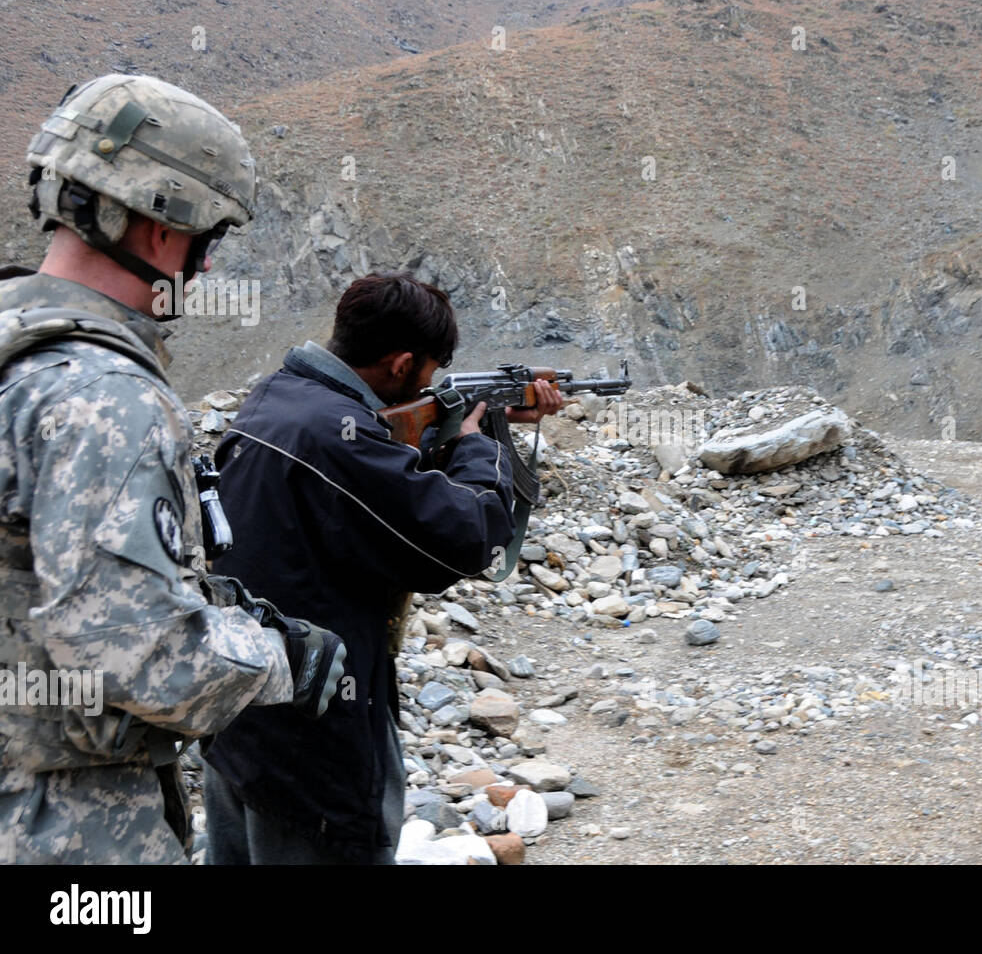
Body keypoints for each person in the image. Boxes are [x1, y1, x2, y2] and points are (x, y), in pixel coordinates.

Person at [0, 74, 346, 864]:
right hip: (64, 829)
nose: (208, 269)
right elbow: (137, 653)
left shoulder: (16, 348)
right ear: (162, 230)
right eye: (208, 241)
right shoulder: (104, 394)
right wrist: (278, 658)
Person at [201, 272, 564, 864]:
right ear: (400, 365)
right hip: (315, 743)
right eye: (427, 374)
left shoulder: (280, 397)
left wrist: (451, 433)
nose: (428, 384)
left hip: (242, 720)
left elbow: (372, 491)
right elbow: (467, 536)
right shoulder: (337, 438)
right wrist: (482, 441)